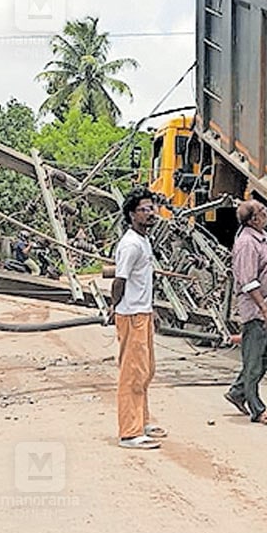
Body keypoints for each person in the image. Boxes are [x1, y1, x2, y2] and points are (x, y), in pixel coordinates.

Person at [223, 200, 267, 426]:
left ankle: (238, 392)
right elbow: (248, 281)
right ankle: (257, 409)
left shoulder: (263, 239)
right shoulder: (246, 244)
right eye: (262, 211)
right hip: (259, 314)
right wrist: (265, 309)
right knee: (253, 362)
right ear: (253, 219)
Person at [110, 187, 165, 450]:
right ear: (132, 215)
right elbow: (119, 281)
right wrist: (115, 308)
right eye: (144, 210)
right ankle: (129, 432)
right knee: (132, 373)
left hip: (142, 312)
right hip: (131, 314)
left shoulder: (144, 240)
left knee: (145, 370)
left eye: (152, 208)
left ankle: (142, 421)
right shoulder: (130, 244)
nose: (150, 213)